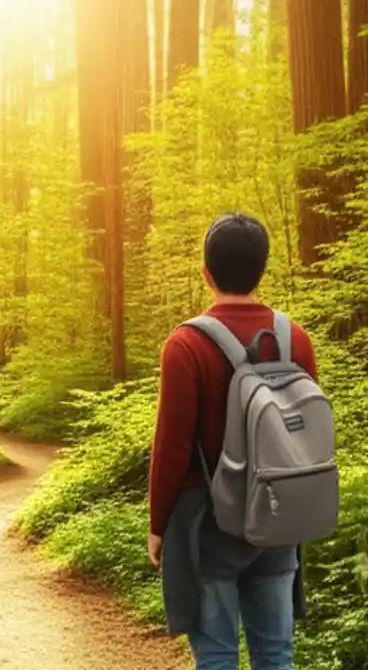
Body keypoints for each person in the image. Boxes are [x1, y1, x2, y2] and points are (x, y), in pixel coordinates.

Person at [146, 212, 318, 670]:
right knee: (276, 656)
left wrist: (159, 524)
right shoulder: (294, 339)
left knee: (218, 658)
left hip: (206, 525)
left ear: (206, 272)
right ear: (262, 270)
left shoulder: (186, 345)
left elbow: (173, 447)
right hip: (278, 517)